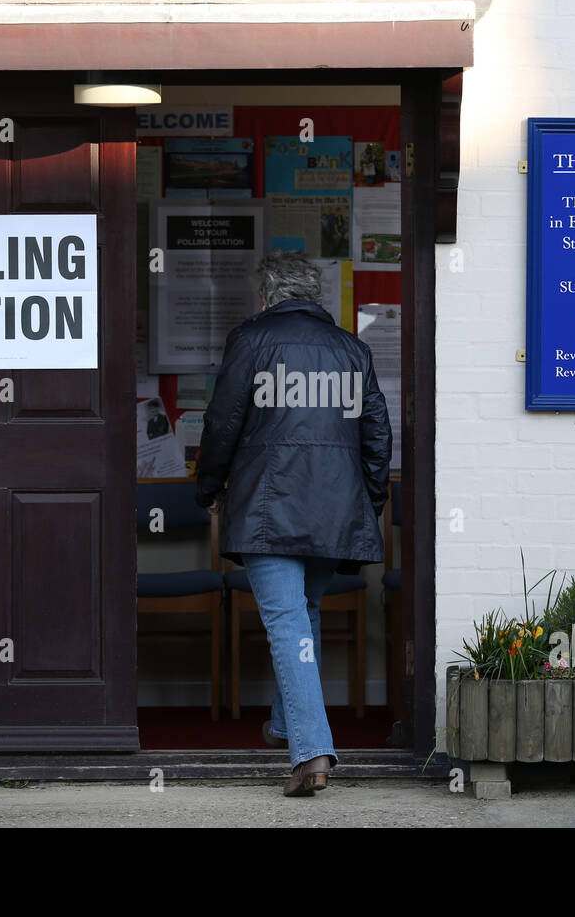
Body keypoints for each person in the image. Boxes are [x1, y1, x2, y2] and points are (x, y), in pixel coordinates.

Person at [195, 250, 392, 797]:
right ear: (315, 297)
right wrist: (367, 502)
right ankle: (286, 725)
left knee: (285, 623)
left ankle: (311, 753)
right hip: (333, 510)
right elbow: (378, 434)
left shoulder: (252, 341)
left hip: (268, 506)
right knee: (303, 614)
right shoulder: (352, 348)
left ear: (266, 296)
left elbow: (222, 422)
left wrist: (208, 488)